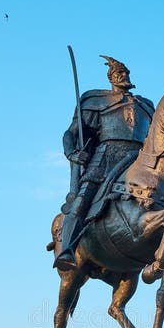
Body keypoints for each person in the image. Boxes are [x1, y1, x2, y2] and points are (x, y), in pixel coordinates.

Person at [54, 55, 155, 270]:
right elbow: (71, 133)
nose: (124, 76)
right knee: (83, 198)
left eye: (126, 73)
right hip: (107, 157)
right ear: (111, 78)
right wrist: (72, 153)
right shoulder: (96, 101)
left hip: (140, 160)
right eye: (119, 73)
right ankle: (68, 249)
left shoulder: (146, 106)